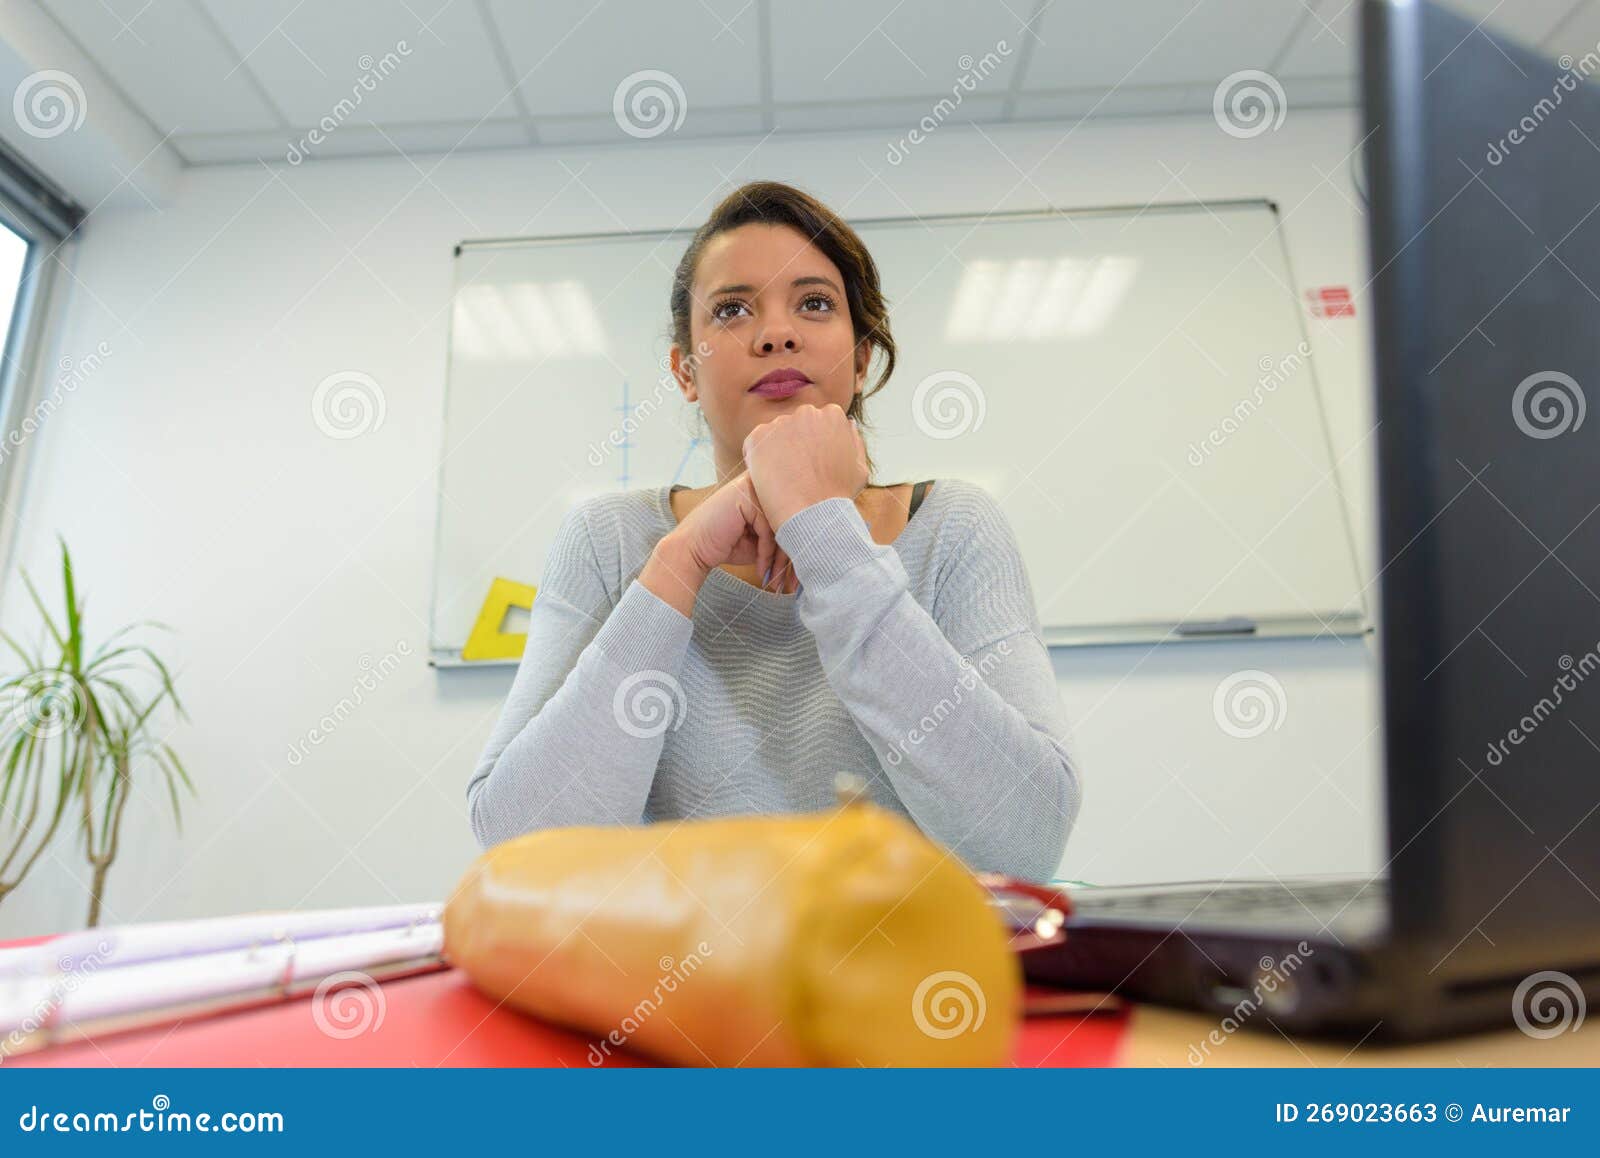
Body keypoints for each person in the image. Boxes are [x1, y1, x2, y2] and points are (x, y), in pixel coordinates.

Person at [466, 180, 1080, 882]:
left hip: (907, 978)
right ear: (685, 371)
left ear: (861, 358)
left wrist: (825, 535)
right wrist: (679, 564)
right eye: (732, 310)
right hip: (678, 983)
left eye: (815, 303)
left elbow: (1026, 842)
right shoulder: (607, 539)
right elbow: (520, 850)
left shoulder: (955, 528)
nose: (776, 333)